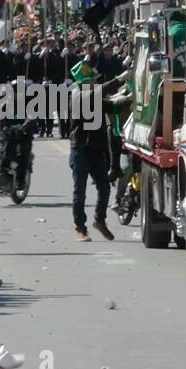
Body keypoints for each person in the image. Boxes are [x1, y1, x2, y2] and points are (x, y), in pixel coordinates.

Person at [67, 61, 116, 242]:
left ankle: (100, 219)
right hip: (80, 149)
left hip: (96, 150)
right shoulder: (77, 95)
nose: (96, 82)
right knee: (79, 192)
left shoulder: (96, 97)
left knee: (104, 187)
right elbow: (97, 93)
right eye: (92, 80)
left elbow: (113, 106)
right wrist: (118, 80)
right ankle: (80, 228)